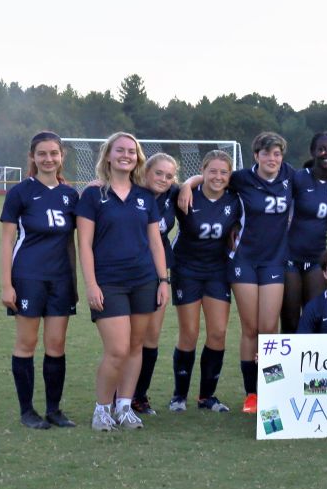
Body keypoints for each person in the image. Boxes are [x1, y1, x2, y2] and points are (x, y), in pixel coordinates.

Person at [178, 131, 295, 414]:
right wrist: (187, 183)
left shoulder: (290, 176)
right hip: (243, 260)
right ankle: (252, 393)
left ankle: (272, 388)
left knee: (270, 329)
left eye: (277, 153)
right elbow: (209, 178)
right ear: (256, 156)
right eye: (266, 153)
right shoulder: (242, 178)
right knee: (251, 328)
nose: (272, 158)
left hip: (274, 260)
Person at [76, 132, 170, 430]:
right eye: (120, 150)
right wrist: (91, 284)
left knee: (135, 347)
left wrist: (163, 280)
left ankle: (125, 407)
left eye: (132, 151)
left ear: (137, 157)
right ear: (108, 155)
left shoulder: (144, 197)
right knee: (116, 349)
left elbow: (155, 243)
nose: (126, 155)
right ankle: (102, 409)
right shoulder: (93, 195)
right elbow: (85, 245)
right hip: (109, 283)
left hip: (144, 280)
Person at [0, 131, 80, 429]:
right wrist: (7, 285)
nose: (48, 159)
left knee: (56, 345)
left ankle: (54, 410)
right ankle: (27, 411)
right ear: (32, 157)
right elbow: (7, 242)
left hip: (61, 279)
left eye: (54, 154)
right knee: (27, 343)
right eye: (42, 154)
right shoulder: (20, 192)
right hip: (28, 276)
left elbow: (78, 237)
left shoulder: (70, 195)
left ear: (62, 157)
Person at [169, 150, 237, 413]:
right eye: (212, 171)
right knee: (189, 333)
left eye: (224, 172)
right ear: (203, 171)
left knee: (218, 333)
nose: (218, 177)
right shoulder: (185, 194)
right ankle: (179, 395)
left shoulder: (235, 198)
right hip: (186, 268)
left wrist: (191, 180)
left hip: (218, 270)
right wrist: (187, 184)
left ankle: (207, 396)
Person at [129, 152, 180, 416]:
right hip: (129, 269)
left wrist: (191, 184)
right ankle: (119, 394)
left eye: (169, 175)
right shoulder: (130, 190)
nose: (163, 179)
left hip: (159, 270)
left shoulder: (173, 193)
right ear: (145, 172)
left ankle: (139, 396)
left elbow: (201, 181)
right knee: (127, 340)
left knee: (151, 337)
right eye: (158, 173)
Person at [282, 132, 327, 333]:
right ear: (313, 152)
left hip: (317, 259)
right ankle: (289, 364)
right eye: (322, 148)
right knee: (290, 320)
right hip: (290, 257)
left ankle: (309, 365)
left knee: (314, 319)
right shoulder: (298, 178)